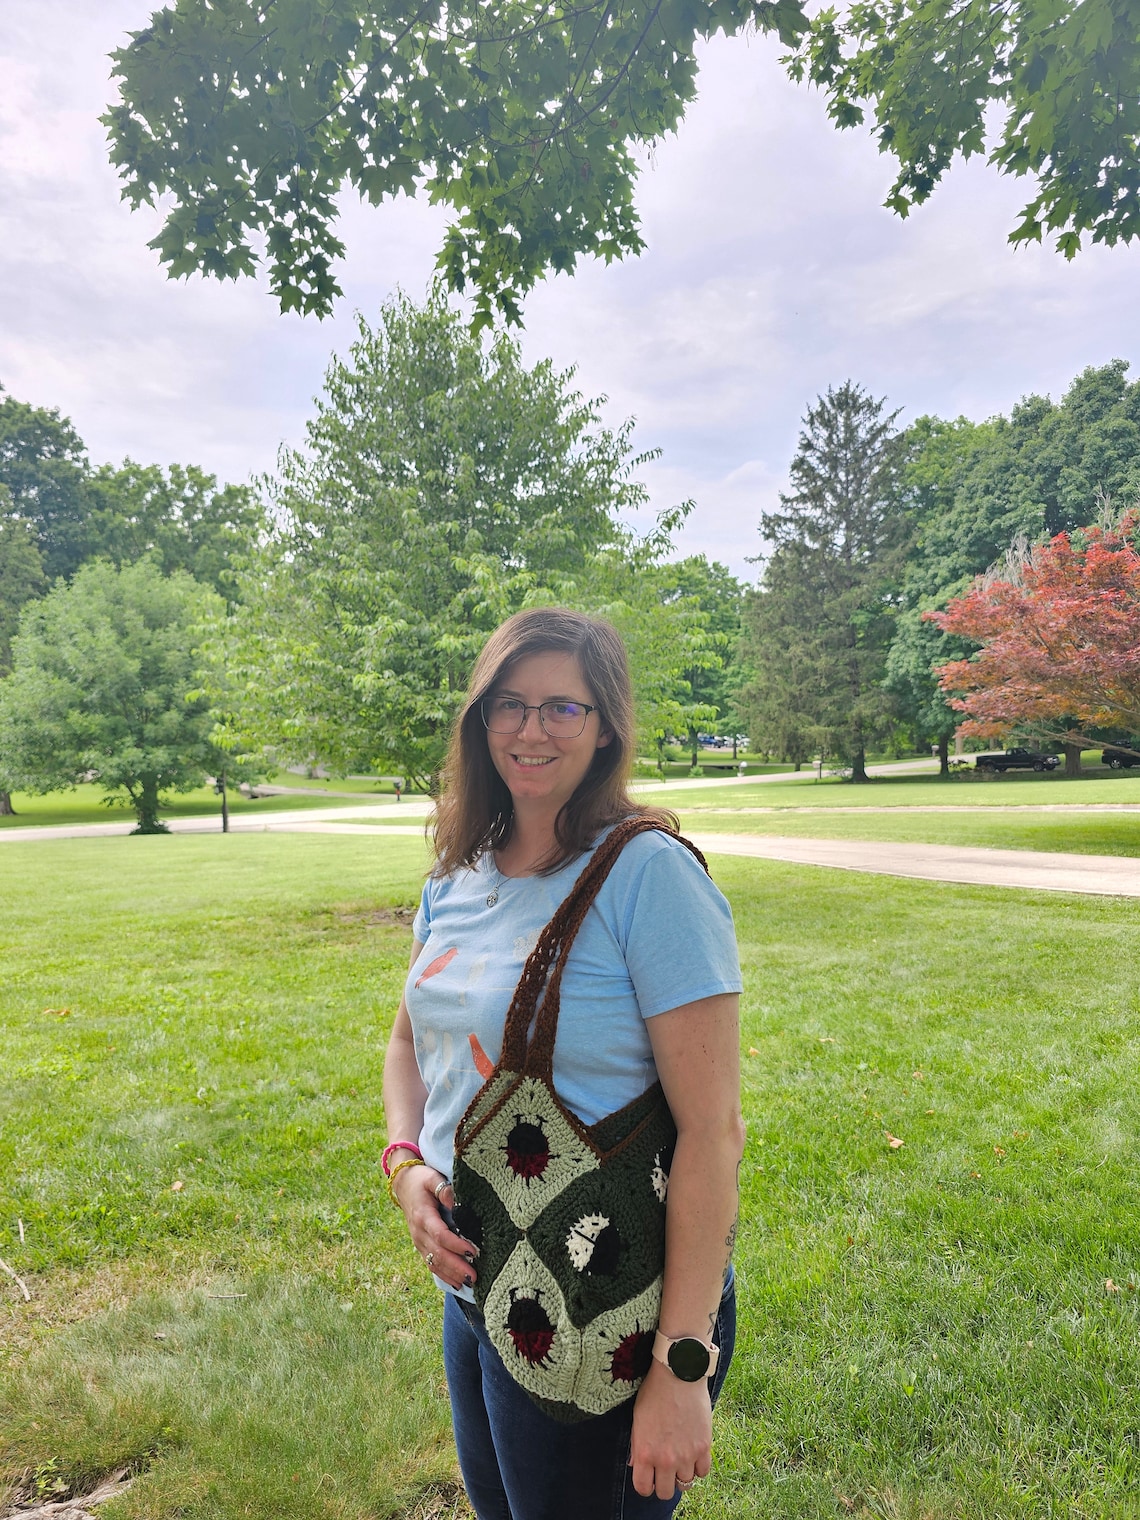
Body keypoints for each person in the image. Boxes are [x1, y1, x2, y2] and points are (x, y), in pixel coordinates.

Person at [383, 607, 745, 1519]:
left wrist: (681, 1364)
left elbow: (713, 1131)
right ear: (479, 720)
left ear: (606, 725)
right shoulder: (455, 877)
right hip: (478, 1293)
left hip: (605, 1306)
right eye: (509, 704)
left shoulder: (647, 874)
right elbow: (405, 1041)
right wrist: (405, 1166)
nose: (531, 729)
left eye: (562, 708)